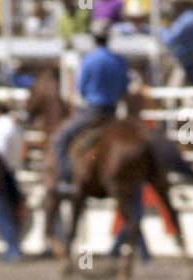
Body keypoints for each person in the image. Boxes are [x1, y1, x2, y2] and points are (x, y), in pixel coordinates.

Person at [54, 17, 128, 195]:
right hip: (112, 113)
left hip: (91, 113)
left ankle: (66, 180)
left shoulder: (88, 60)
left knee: (60, 139)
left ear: (93, 38)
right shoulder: (119, 61)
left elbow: (81, 89)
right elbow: (123, 88)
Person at [0, 99, 24, 261]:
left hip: (1, 171)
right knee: (6, 209)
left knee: (0, 210)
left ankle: (12, 247)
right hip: (10, 169)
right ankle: (13, 246)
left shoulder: (1, 126)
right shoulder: (12, 125)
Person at [159, 0, 193, 88]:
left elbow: (169, 39)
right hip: (190, 63)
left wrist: (160, 29)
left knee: (177, 94)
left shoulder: (188, 17)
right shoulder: (192, 16)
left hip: (186, 64)